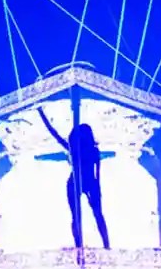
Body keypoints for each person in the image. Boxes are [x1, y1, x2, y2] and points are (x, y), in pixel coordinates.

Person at [37, 106, 111, 250]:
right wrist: (41, 114)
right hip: (81, 182)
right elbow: (55, 134)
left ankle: (101, 245)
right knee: (84, 216)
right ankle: (90, 246)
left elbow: (55, 135)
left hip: (86, 182)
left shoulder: (85, 151)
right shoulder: (85, 151)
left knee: (90, 216)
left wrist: (97, 188)